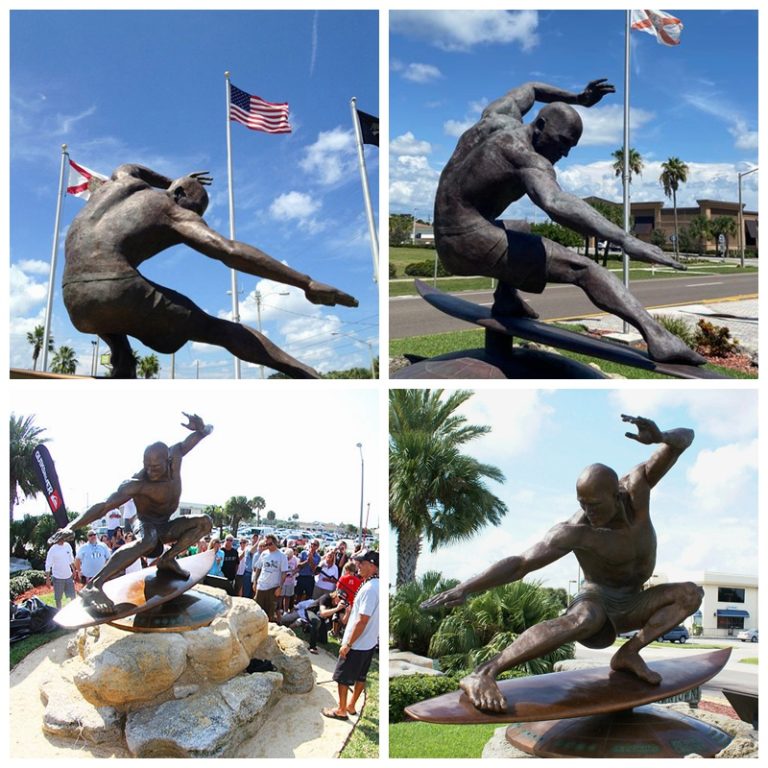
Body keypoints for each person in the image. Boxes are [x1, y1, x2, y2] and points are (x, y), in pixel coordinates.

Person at [423, 415, 703, 713]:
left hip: (634, 601)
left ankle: (628, 653)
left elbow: (686, 437)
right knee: (584, 619)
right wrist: (466, 588)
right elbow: (521, 563)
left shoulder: (637, 486)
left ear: (616, 494)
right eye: (582, 504)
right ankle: (483, 673)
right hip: (597, 602)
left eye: (595, 505)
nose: (588, 512)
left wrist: (661, 437)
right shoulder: (576, 531)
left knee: (690, 594)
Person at [433, 79, 704, 365]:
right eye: (562, 142)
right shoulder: (524, 157)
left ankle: (506, 299)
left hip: (449, 229)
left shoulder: (497, 118)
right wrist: (625, 239)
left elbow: (532, 88)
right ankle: (658, 337)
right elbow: (555, 202)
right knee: (584, 269)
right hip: (464, 242)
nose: (564, 154)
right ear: (540, 126)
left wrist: (579, 98)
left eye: (571, 147)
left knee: (520, 228)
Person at [62, 164, 358, 379]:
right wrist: (306, 283)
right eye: (194, 209)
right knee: (220, 331)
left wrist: (173, 181)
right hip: (116, 289)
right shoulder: (174, 211)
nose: (193, 217)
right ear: (180, 196)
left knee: (114, 305)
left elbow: (131, 166)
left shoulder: (122, 181)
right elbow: (229, 250)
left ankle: (123, 363)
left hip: (74, 298)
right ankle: (305, 374)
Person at [48, 412, 214, 615]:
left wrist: (201, 429)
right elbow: (104, 506)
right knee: (149, 540)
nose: (150, 471)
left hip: (166, 524)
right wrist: (71, 527)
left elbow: (204, 432)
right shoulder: (137, 484)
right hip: (145, 524)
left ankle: (167, 559)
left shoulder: (176, 455)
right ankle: (94, 585)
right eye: (147, 466)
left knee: (205, 522)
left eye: (155, 467)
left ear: (168, 460)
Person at [323, 550, 379, 720]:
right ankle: (351, 706)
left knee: (342, 677)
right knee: (361, 676)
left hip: (357, 642)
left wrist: (348, 644)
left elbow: (362, 620)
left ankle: (341, 710)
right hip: (369, 642)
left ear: (372, 566)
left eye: (362, 563)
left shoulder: (370, 588)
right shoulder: (377, 585)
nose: (358, 566)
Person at [253, 534, 288, 621]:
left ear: (275, 543)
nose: (268, 546)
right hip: (261, 586)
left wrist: (280, 587)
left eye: (270, 544)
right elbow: (258, 568)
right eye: (266, 544)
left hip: (273, 588)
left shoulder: (282, 556)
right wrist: (255, 582)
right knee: (258, 610)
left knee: (270, 613)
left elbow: (284, 573)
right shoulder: (264, 554)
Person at [45, 538, 76, 609]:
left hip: (68, 576)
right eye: (60, 538)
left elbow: (70, 559)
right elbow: (48, 564)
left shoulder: (67, 546)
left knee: (72, 596)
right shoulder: (53, 549)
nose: (62, 540)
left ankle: (73, 610)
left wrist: (74, 570)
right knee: (58, 598)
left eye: (63, 538)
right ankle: (58, 611)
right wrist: (47, 579)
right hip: (58, 577)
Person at [282, 547, 299, 613]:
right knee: (280, 596)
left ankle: (285, 611)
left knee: (287, 597)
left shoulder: (295, 559)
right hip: (282, 581)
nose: (288, 558)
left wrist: (293, 573)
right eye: (287, 557)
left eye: (289, 557)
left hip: (290, 581)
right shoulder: (283, 558)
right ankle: (279, 610)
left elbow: (297, 568)